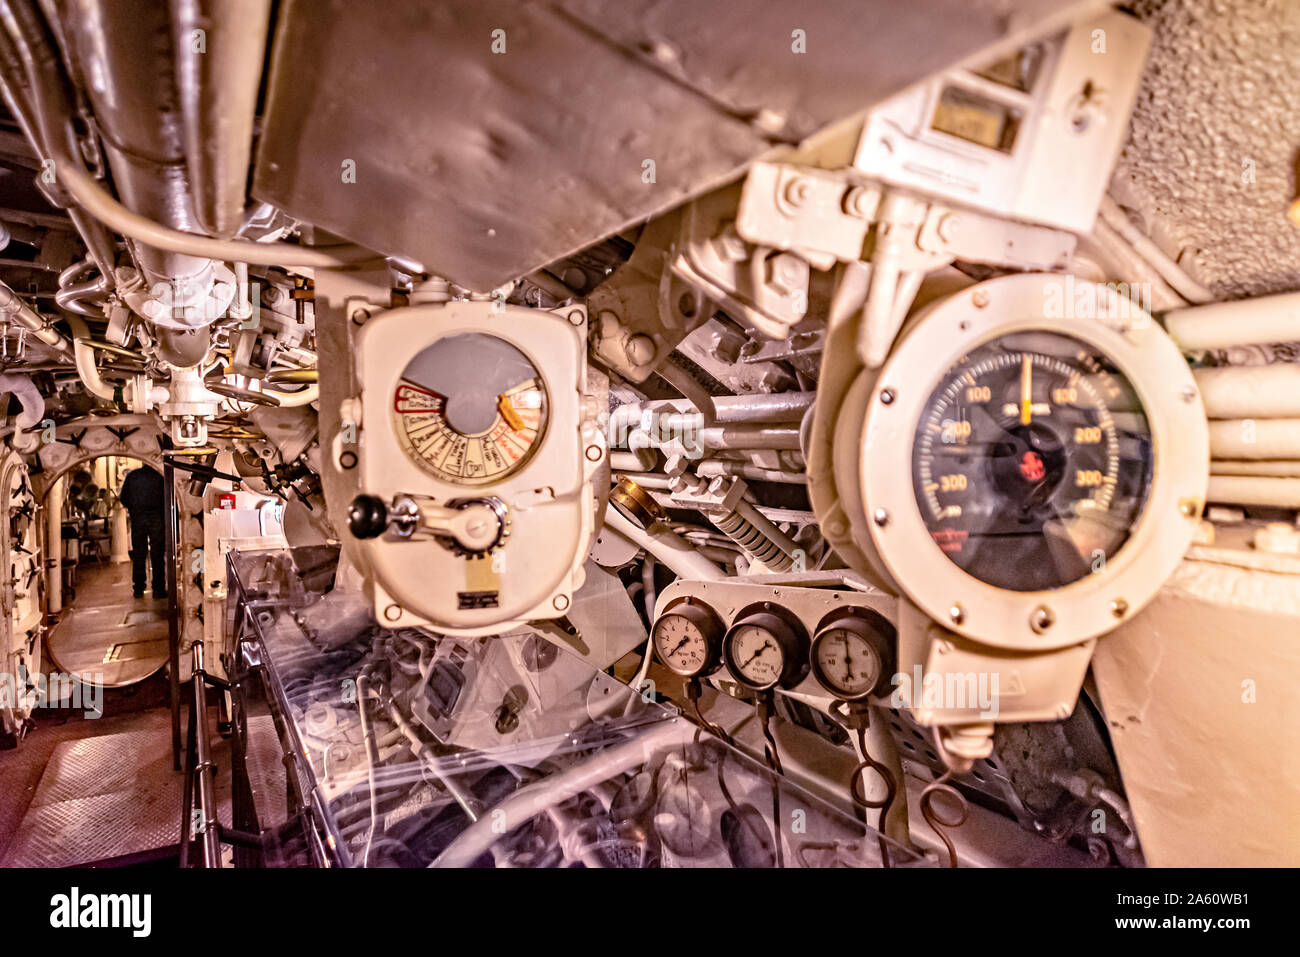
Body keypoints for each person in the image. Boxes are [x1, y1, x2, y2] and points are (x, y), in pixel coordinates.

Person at [118, 466, 167, 599]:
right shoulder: (160, 476)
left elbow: (123, 498)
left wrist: (134, 509)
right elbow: (167, 499)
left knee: (139, 554)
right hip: (156, 518)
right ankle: (159, 589)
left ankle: (138, 588)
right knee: (157, 554)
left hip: (137, 518)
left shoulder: (132, 476)